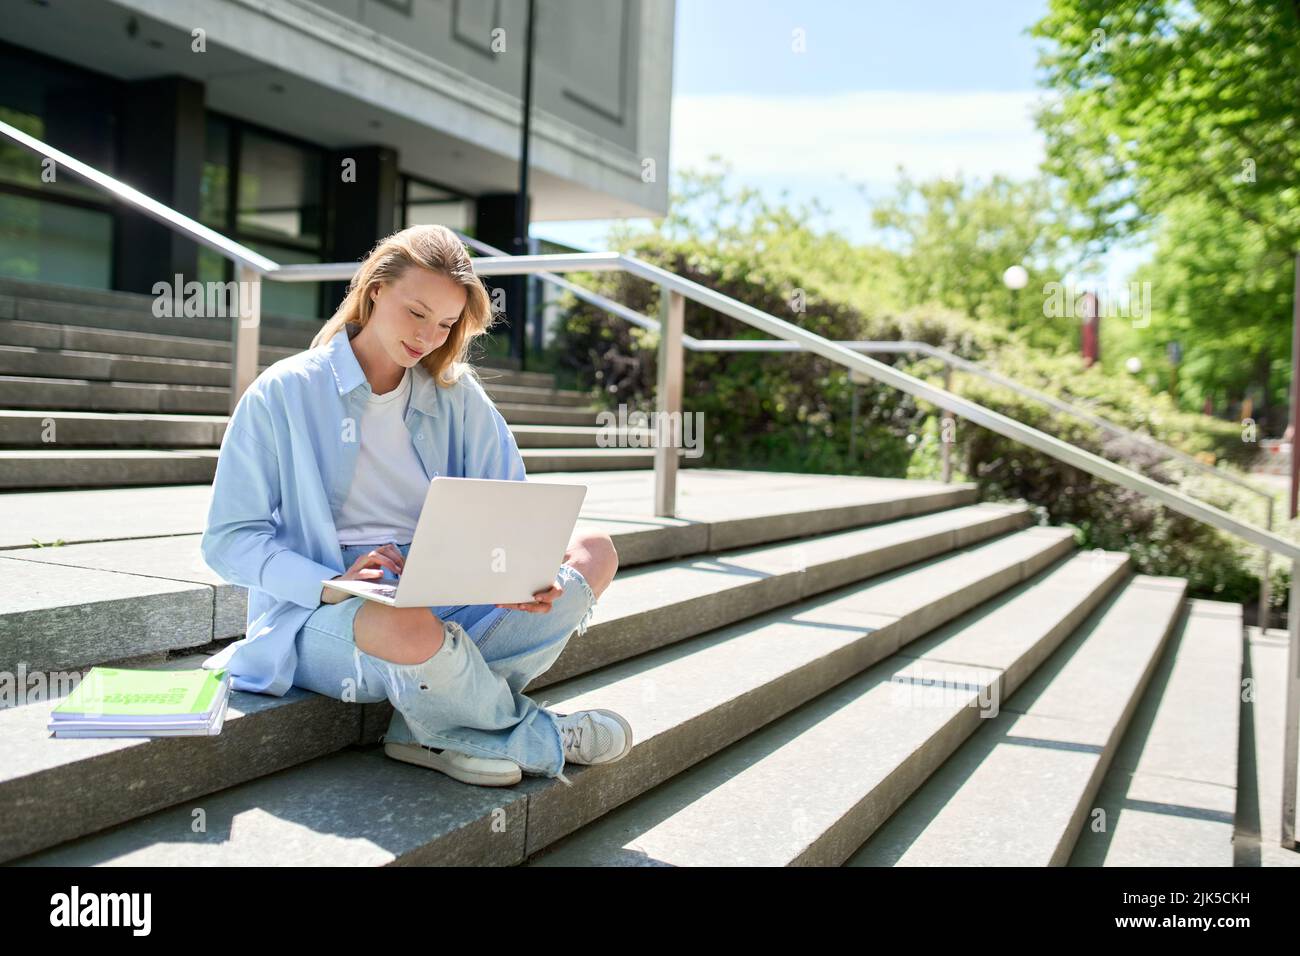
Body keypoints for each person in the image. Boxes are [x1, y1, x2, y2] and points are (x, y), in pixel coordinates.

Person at [200, 224, 630, 788]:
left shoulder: (457, 393)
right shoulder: (284, 391)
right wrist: (330, 582)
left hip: (448, 581)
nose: (428, 336)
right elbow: (228, 541)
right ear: (375, 289)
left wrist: (512, 571)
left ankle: (429, 721)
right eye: (416, 313)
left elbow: (510, 505)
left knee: (593, 551)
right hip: (326, 605)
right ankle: (535, 734)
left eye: (447, 323)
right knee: (406, 622)